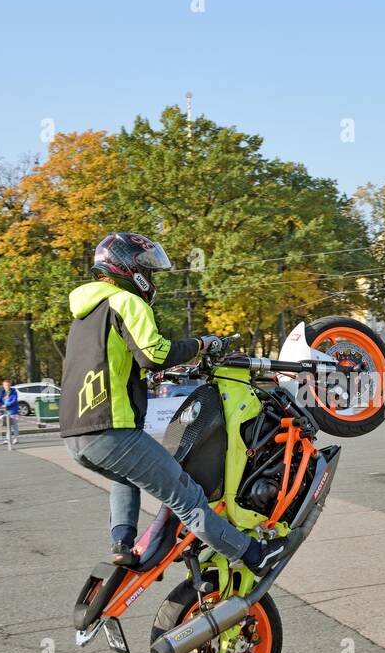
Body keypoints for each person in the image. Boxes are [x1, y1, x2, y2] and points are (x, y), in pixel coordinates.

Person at [60, 231, 287, 574]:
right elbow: (155, 353)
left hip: (76, 438)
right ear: (129, 268)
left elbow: (119, 362)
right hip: (112, 430)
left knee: (126, 478)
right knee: (188, 497)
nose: (151, 280)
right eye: (148, 271)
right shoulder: (126, 301)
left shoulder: (85, 313)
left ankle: (122, 544)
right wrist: (200, 344)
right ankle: (255, 555)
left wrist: (151, 375)